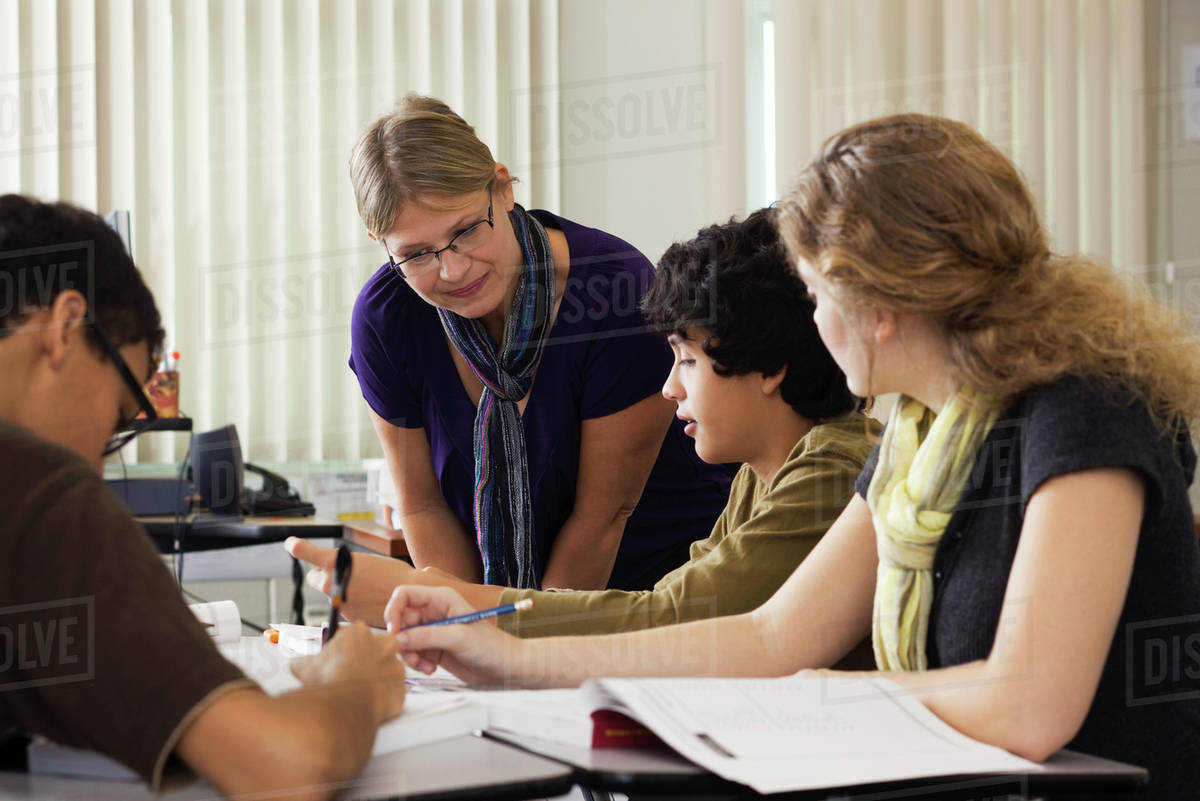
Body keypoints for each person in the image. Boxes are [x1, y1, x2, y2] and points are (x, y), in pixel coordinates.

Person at [380, 116, 1200, 800]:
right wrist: (510, 659)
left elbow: (1028, 703)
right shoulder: (924, 429)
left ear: (874, 300)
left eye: (814, 295)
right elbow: (772, 636)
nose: (810, 323)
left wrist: (829, 696)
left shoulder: (1085, 411)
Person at [287, 209, 879, 640]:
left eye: (689, 361)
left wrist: (453, 604)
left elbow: (672, 619)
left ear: (770, 367)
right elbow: (666, 607)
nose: (669, 386)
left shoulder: (833, 469)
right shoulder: (763, 472)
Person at [0, 195, 406, 800]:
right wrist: (354, 681)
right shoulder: (38, 488)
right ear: (63, 328)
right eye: (119, 416)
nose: (101, 455)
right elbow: (288, 769)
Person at [347, 94, 729, 593]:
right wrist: (469, 627)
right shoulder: (386, 318)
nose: (452, 269)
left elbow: (603, 518)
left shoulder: (615, 291)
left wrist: (518, 647)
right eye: (416, 254)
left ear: (501, 188)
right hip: (520, 604)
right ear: (379, 241)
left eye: (465, 231)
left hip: (660, 589)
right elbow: (423, 506)